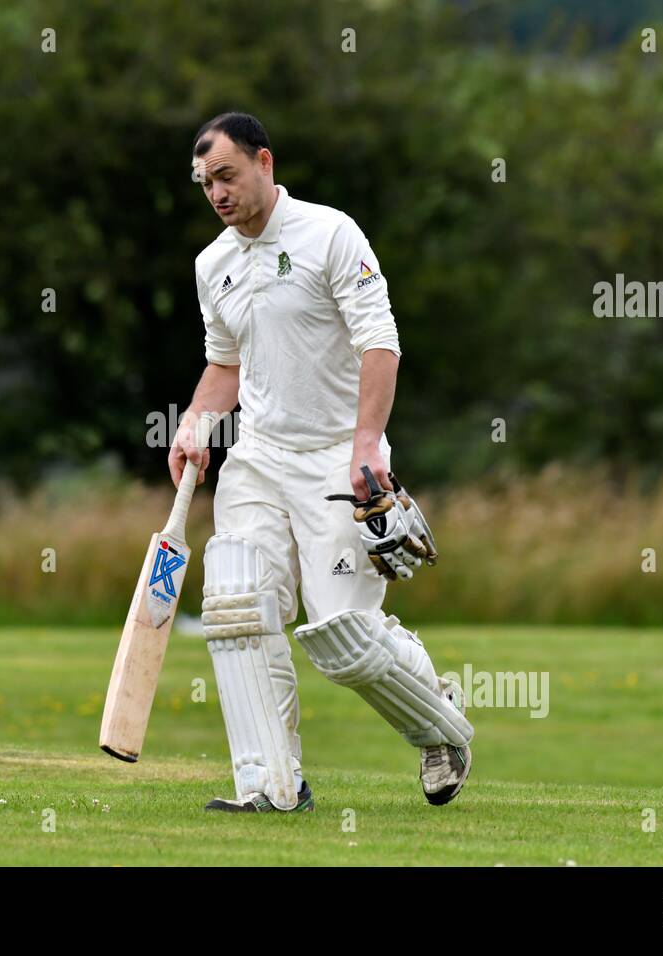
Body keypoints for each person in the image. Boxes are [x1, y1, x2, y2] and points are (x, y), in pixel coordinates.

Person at [171, 111, 473, 813]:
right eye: (205, 182)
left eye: (227, 175)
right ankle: (271, 786)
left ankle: (441, 726)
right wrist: (193, 426)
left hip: (339, 459)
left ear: (265, 163)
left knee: (346, 640)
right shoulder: (211, 265)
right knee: (238, 605)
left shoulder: (330, 234)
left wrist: (368, 444)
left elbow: (381, 342)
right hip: (260, 459)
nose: (217, 193)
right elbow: (225, 365)